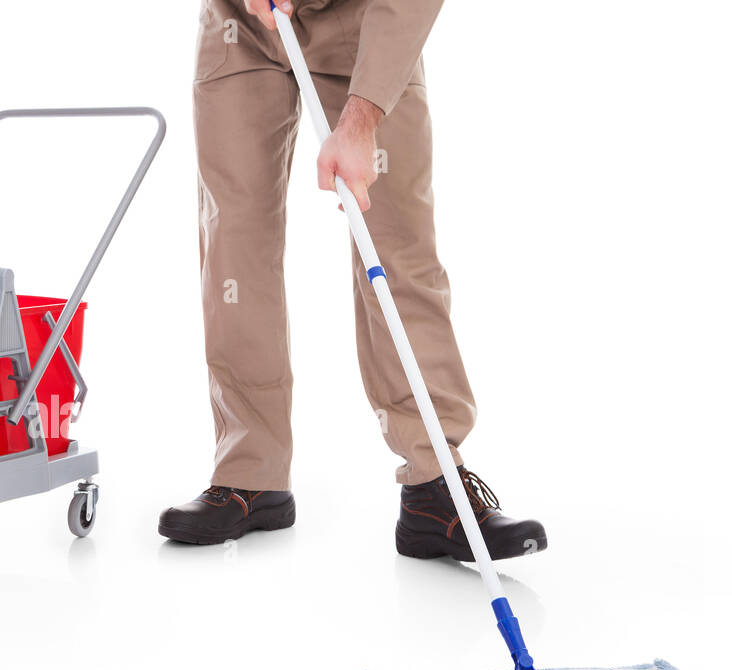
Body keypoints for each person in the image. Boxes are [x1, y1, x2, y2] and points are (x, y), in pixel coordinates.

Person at [159, 0, 547, 563]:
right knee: (234, 251)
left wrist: (362, 117)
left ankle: (434, 483)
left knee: (398, 244)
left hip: (365, 21)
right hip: (239, 27)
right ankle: (252, 473)